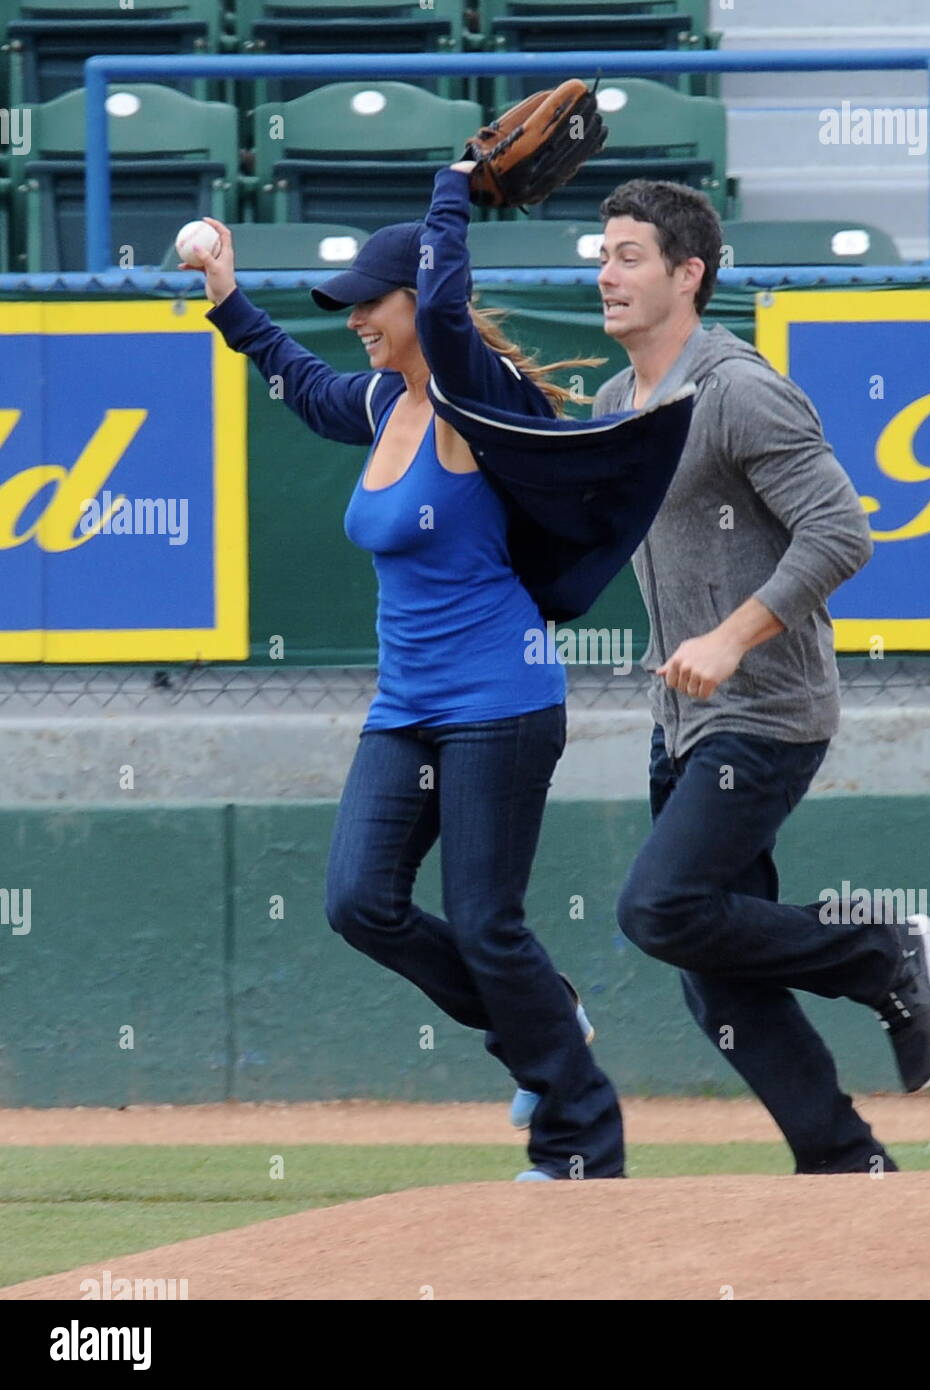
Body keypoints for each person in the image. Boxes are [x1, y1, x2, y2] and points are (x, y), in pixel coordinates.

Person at [192, 163, 629, 1182]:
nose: (353, 322)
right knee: (360, 902)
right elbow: (295, 380)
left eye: (366, 304)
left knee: (485, 919)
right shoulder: (387, 400)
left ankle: (578, 1142)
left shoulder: (484, 397)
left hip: (499, 704)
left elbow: (442, 301)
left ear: (418, 301)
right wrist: (225, 291)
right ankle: (542, 1024)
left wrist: (453, 186)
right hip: (408, 710)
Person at [593, 179, 930, 1175]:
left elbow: (842, 532)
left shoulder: (739, 389)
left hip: (765, 708)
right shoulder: (612, 402)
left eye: (629, 256)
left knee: (658, 910)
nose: (606, 273)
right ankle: (846, 1162)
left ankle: (879, 953)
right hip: (683, 720)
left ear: (688, 273)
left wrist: (729, 638)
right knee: (712, 969)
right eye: (602, 254)